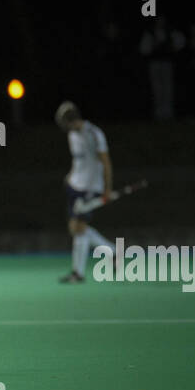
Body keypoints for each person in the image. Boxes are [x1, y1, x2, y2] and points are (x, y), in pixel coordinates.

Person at [55, 102, 116, 283]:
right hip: (75, 186)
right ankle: (112, 252)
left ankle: (78, 273)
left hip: (91, 187)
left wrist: (107, 188)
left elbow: (105, 162)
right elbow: (78, 160)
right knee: (75, 228)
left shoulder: (94, 134)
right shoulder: (72, 135)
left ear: (71, 121)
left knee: (78, 227)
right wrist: (71, 175)